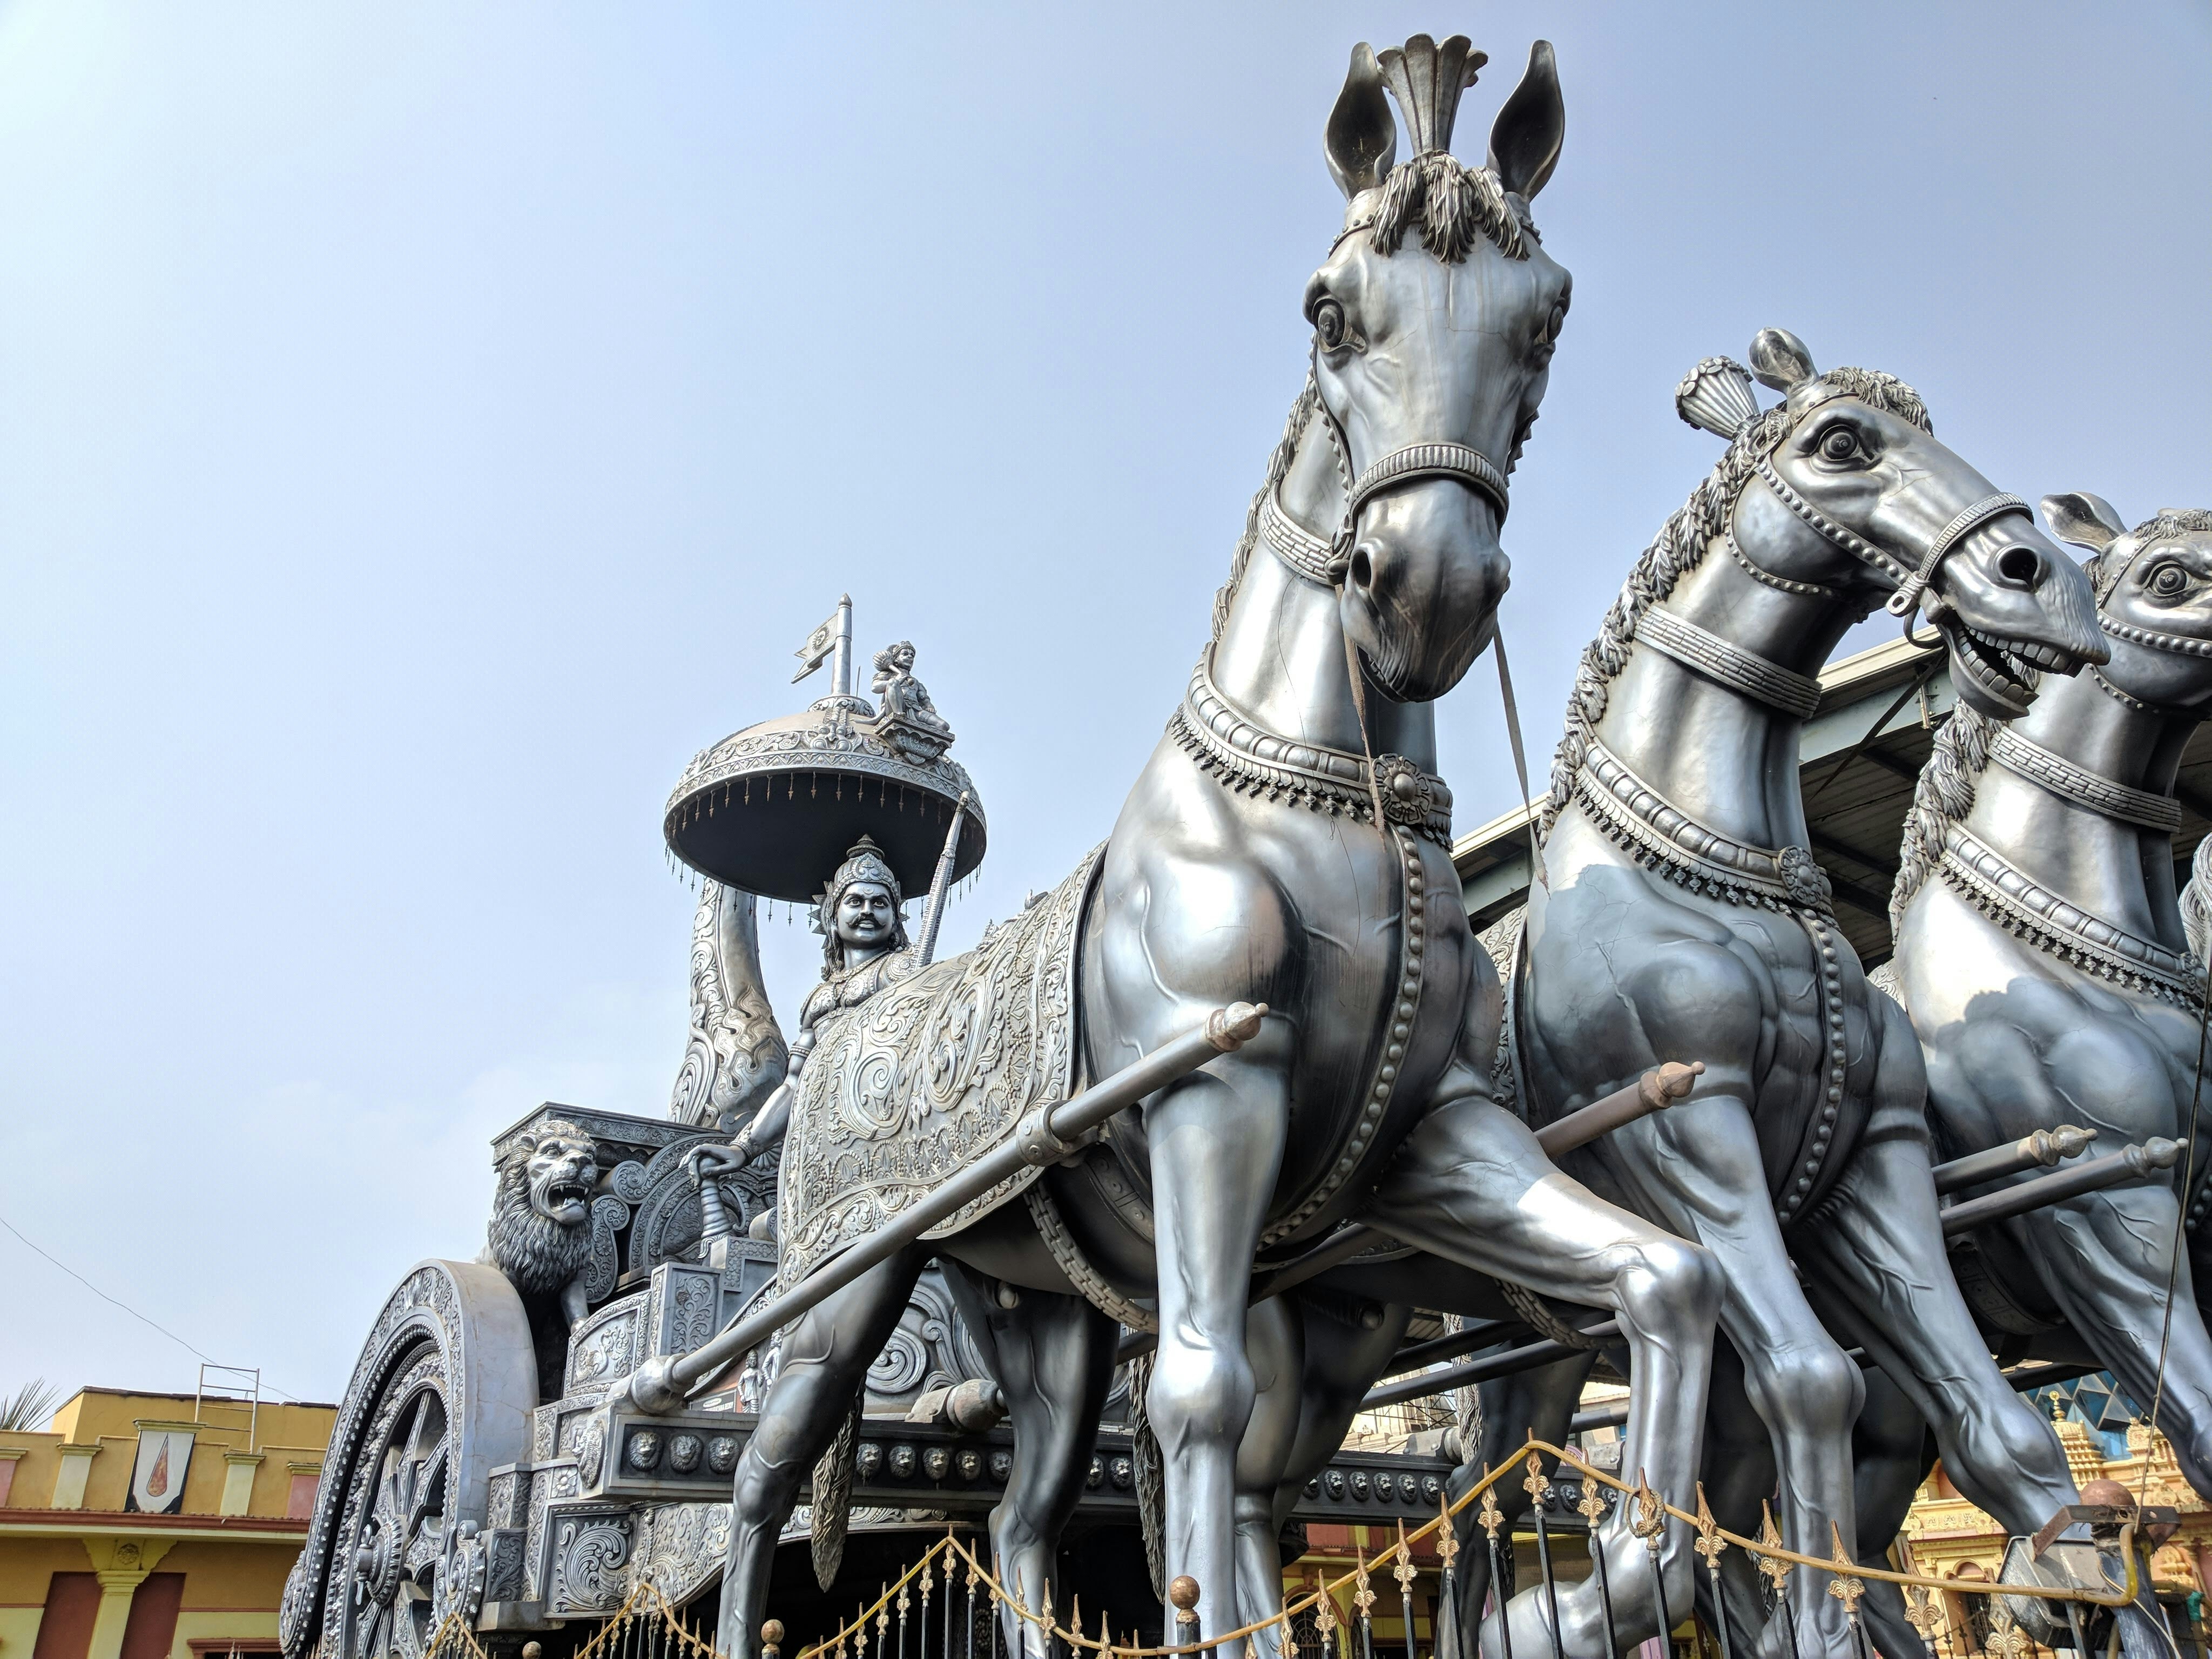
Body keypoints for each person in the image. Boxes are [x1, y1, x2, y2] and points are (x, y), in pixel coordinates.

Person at [690, 838, 916, 1200]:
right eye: (855, 902)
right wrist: (744, 1148)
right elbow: (795, 1084)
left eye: (880, 903)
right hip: (826, 1140)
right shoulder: (817, 1001)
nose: (868, 911)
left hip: (889, 1124)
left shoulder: (903, 970)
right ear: (832, 914)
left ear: (895, 915)